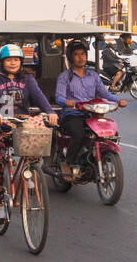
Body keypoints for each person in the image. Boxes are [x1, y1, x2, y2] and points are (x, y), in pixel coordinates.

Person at [0, 43, 57, 224]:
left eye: (16, 59)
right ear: (2, 61)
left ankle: (30, 173)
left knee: (36, 142)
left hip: (20, 123)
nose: (13, 63)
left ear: (21, 61)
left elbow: (39, 97)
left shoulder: (27, 79)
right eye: (9, 59)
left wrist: (50, 112)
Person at [54, 40, 126, 179]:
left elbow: (104, 93)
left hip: (91, 114)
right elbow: (59, 97)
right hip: (72, 115)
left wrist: (118, 101)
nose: (81, 57)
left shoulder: (93, 75)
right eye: (76, 54)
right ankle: (68, 163)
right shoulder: (64, 77)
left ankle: (95, 157)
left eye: (83, 54)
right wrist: (67, 102)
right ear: (71, 57)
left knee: (109, 132)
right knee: (79, 133)